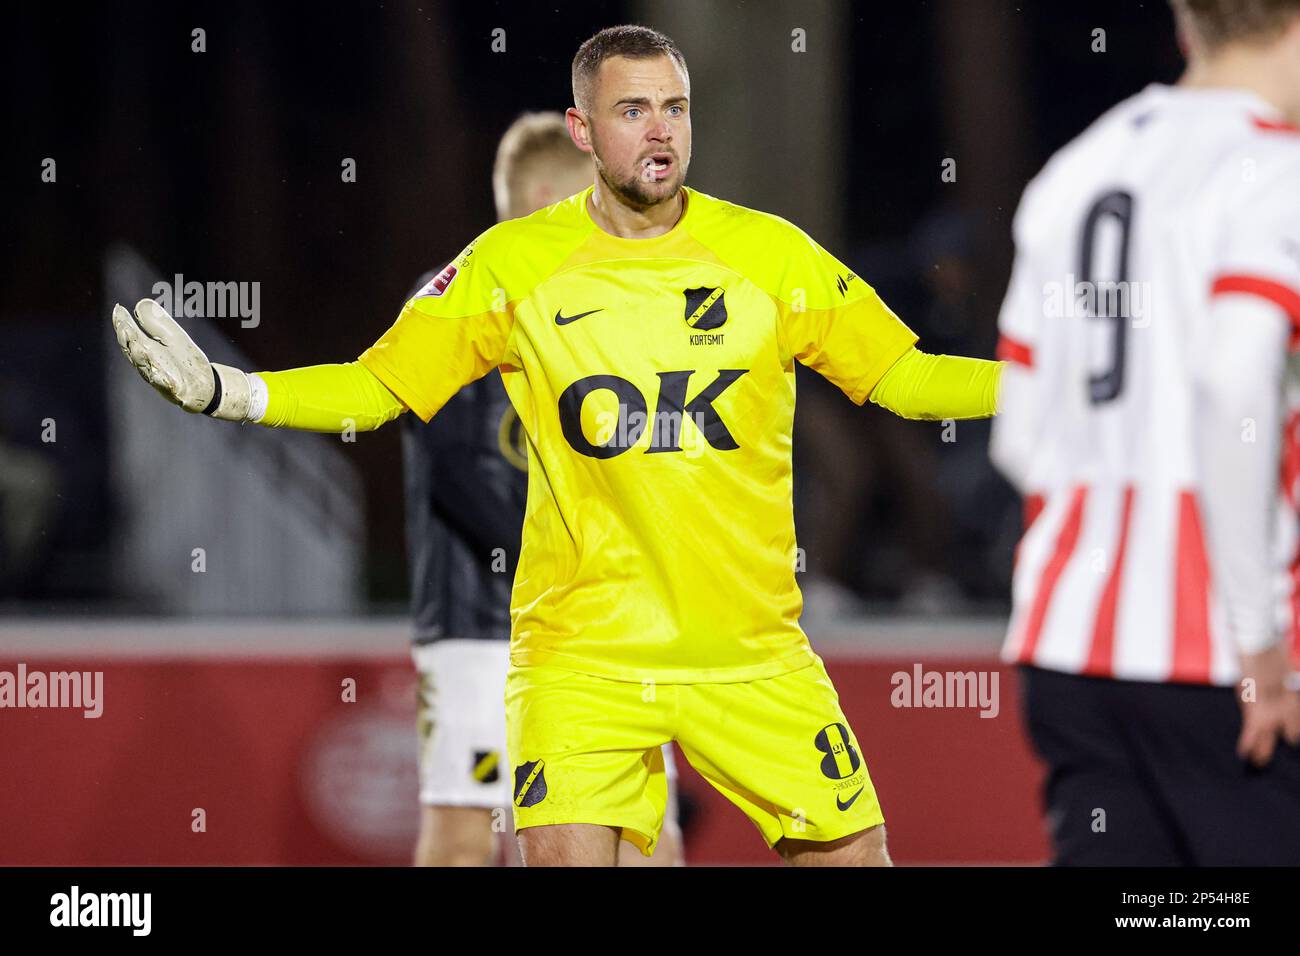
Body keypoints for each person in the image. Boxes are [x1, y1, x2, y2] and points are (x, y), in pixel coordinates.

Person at [111, 24, 1002, 866]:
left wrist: (1045, 382)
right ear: (581, 129)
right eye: (633, 110)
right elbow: (381, 385)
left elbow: (908, 379)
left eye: (675, 108)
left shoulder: (772, 256)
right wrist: (239, 393)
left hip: (751, 655)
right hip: (582, 658)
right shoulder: (511, 264)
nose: (661, 131)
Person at [991, 0, 1300, 865]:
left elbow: (1019, 433)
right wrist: (1258, 637)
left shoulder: (1076, 166)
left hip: (1068, 640)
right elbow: (1235, 384)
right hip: (1219, 651)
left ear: (1186, 25)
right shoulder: (1277, 168)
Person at [405, 110, 683, 866]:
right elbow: (457, 469)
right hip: (481, 630)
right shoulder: (451, 306)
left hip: (609, 633)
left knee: (645, 844)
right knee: (466, 839)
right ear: (539, 196)